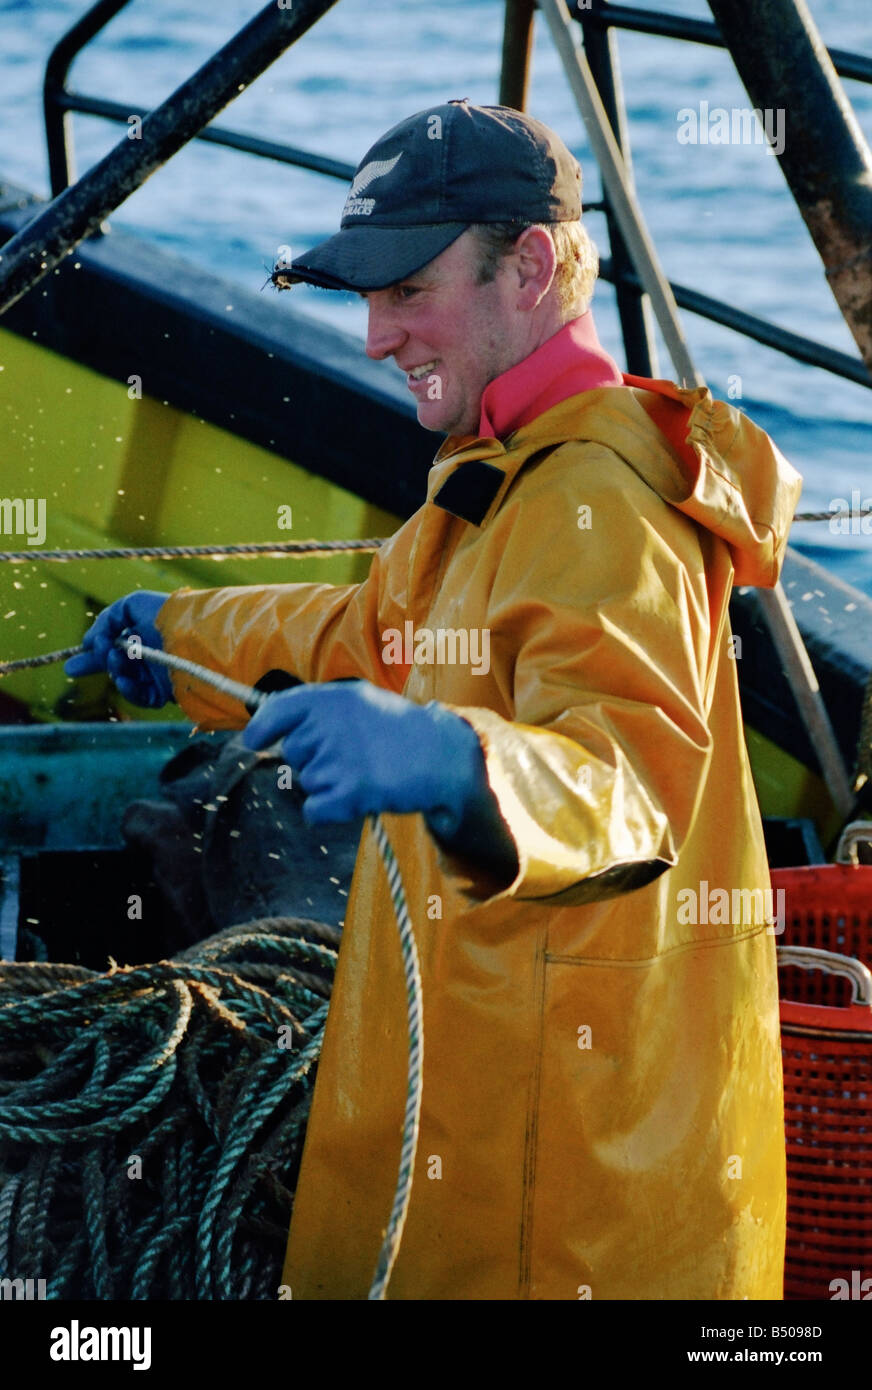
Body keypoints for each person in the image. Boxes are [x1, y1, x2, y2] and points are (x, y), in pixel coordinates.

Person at [67, 100, 801, 1300]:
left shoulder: (600, 507)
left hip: (564, 1218)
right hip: (466, 1138)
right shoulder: (501, 472)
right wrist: (174, 630)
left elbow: (624, 788)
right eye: (364, 296)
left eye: (406, 290)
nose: (372, 336)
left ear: (529, 266)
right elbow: (365, 634)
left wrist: (457, 762)